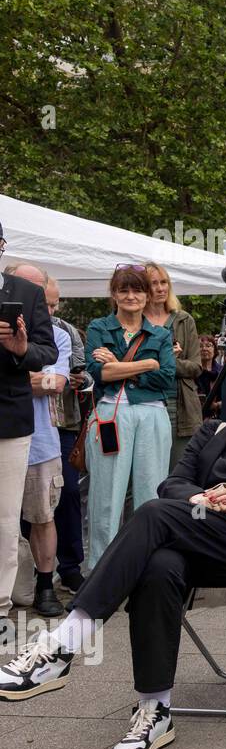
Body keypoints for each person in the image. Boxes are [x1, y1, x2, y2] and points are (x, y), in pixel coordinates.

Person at [0, 344, 226, 749]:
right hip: (201, 534)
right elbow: (173, 485)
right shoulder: (213, 431)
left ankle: (64, 643)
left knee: (153, 515)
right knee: (158, 566)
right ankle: (154, 711)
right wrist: (203, 499)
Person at [84, 265, 175, 568]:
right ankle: (101, 570)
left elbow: (167, 380)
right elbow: (99, 373)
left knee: (150, 494)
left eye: (137, 289)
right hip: (111, 413)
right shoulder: (99, 327)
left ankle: (146, 569)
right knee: (106, 496)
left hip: (152, 414)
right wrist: (147, 364)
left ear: (148, 295)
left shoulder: (161, 333)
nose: (131, 296)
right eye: (124, 289)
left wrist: (122, 367)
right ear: (114, 294)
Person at [6, 263, 70, 618]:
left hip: (40, 442)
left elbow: (55, 384)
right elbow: (41, 381)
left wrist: (13, 377)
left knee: (43, 516)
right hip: (7, 435)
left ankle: (47, 587)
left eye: (43, 296)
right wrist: (31, 377)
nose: (36, 302)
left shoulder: (57, 335)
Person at [41, 275, 88, 596]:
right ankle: (36, 567)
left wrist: (79, 380)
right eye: (46, 303)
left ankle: (70, 568)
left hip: (64, 424)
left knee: (69, 493)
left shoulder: (67, 332)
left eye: (55, 303)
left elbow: (84, 374)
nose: (51, 309)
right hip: (24, 426)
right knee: (33, 502)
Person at [143, 264, 202, 468]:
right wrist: (162, 360)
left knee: (178, 471)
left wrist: (166, 362)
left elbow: (196, 367)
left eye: (164, 282)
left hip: (179, 407)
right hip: (143, 403)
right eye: (154, 283)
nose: (161, 288)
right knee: (147, 472)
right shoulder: (134, 320)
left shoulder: (184, 320)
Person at [196, 334, 222, 413]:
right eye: (200, 346)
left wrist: (217, 405)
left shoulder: (222, 371)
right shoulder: (193, 372)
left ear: (215, 349)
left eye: (208, 346)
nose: (204, 349)